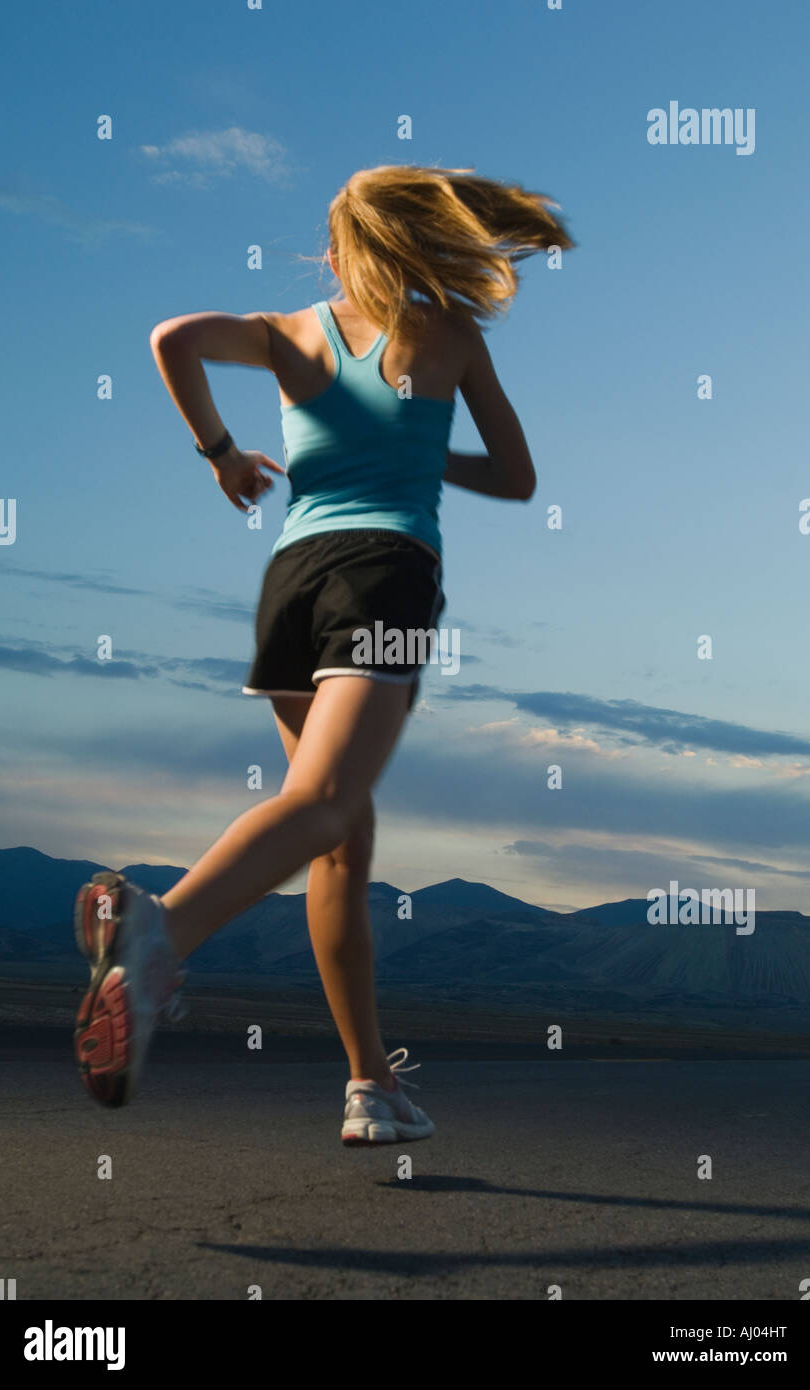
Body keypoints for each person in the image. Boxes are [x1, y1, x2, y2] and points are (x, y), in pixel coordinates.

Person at [72, 164, 573, 1144]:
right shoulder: (446, 334)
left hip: (291, 580)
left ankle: (367, 1083)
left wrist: (221, 453)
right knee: (326, 806)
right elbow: (517, 478)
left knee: (339, 835)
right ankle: (157, 931)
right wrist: (423, 453)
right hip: (382, 572)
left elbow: (170, 339)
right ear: (419, 242)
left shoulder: (288, 331)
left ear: (341, 250)